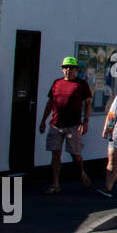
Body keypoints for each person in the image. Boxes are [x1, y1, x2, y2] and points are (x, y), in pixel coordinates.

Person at [38, 56, 93, 193]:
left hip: (73, 125)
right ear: (62, 69)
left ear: (76, 69)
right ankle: (55, 184)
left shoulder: (81, 84)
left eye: (71, 67)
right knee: (55, 154)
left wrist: (85, 122)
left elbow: (88, 103)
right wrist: (43, 120)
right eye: (65, 67)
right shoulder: (57, 83)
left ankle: (82, 173)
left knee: (75, 154)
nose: (68, 70)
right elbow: (50, 102)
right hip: (56, 124)